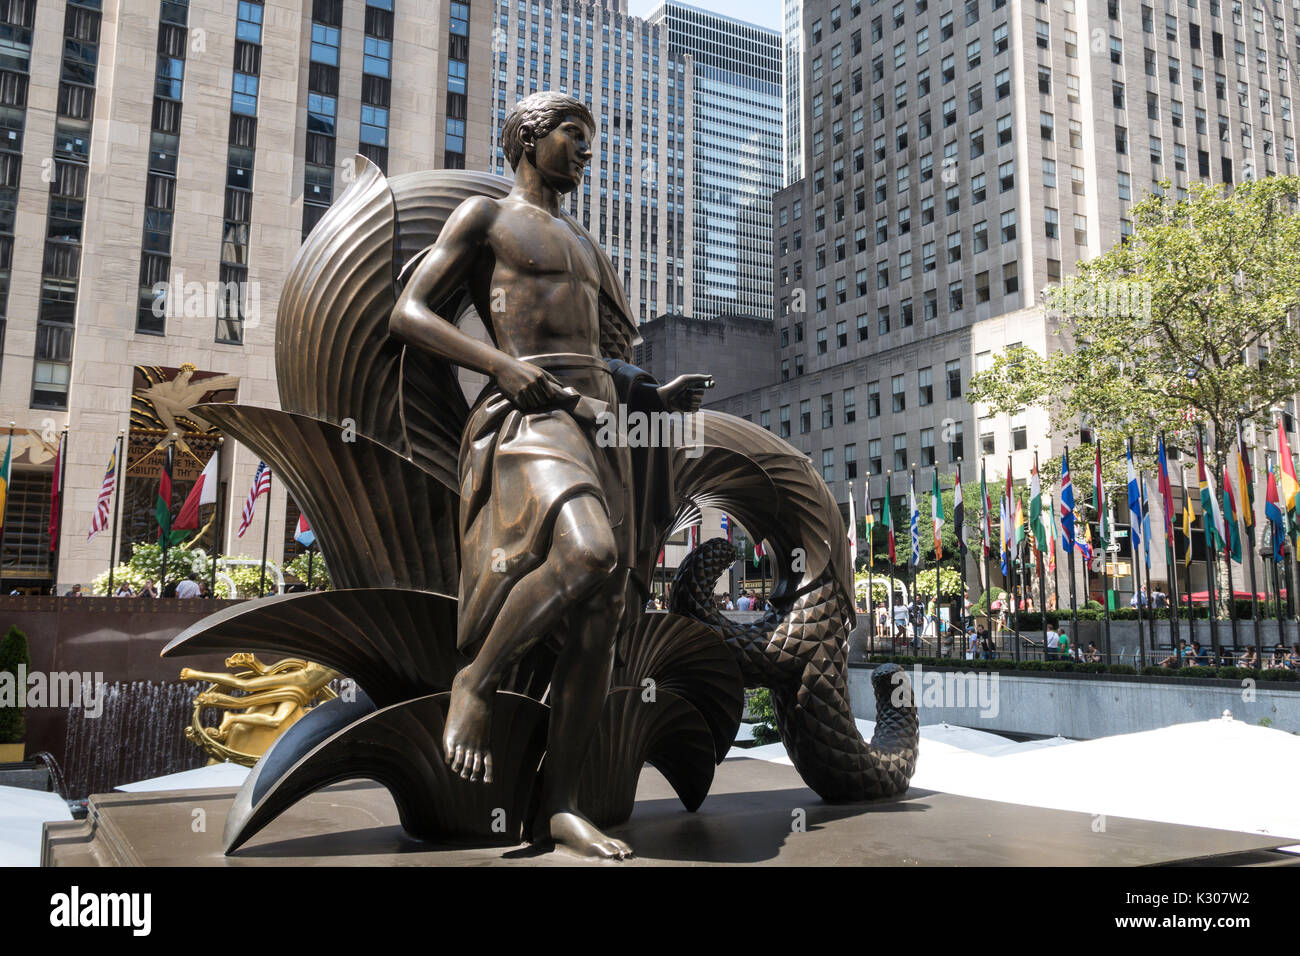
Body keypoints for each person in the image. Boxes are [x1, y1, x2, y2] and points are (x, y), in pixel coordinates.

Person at [389, 91, 711, 860]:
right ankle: (476, 682)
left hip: (601, 424)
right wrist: (502, 368)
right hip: (529, 420)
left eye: (589, 138)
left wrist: (650, 394)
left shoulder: (589, 245)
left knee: (600, 619)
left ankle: (558, 804)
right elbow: (410, 312)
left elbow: (602, 356)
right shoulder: (485, 220)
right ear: (530, 141)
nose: (586, 151)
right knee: (590, 551)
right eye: (574, 135)